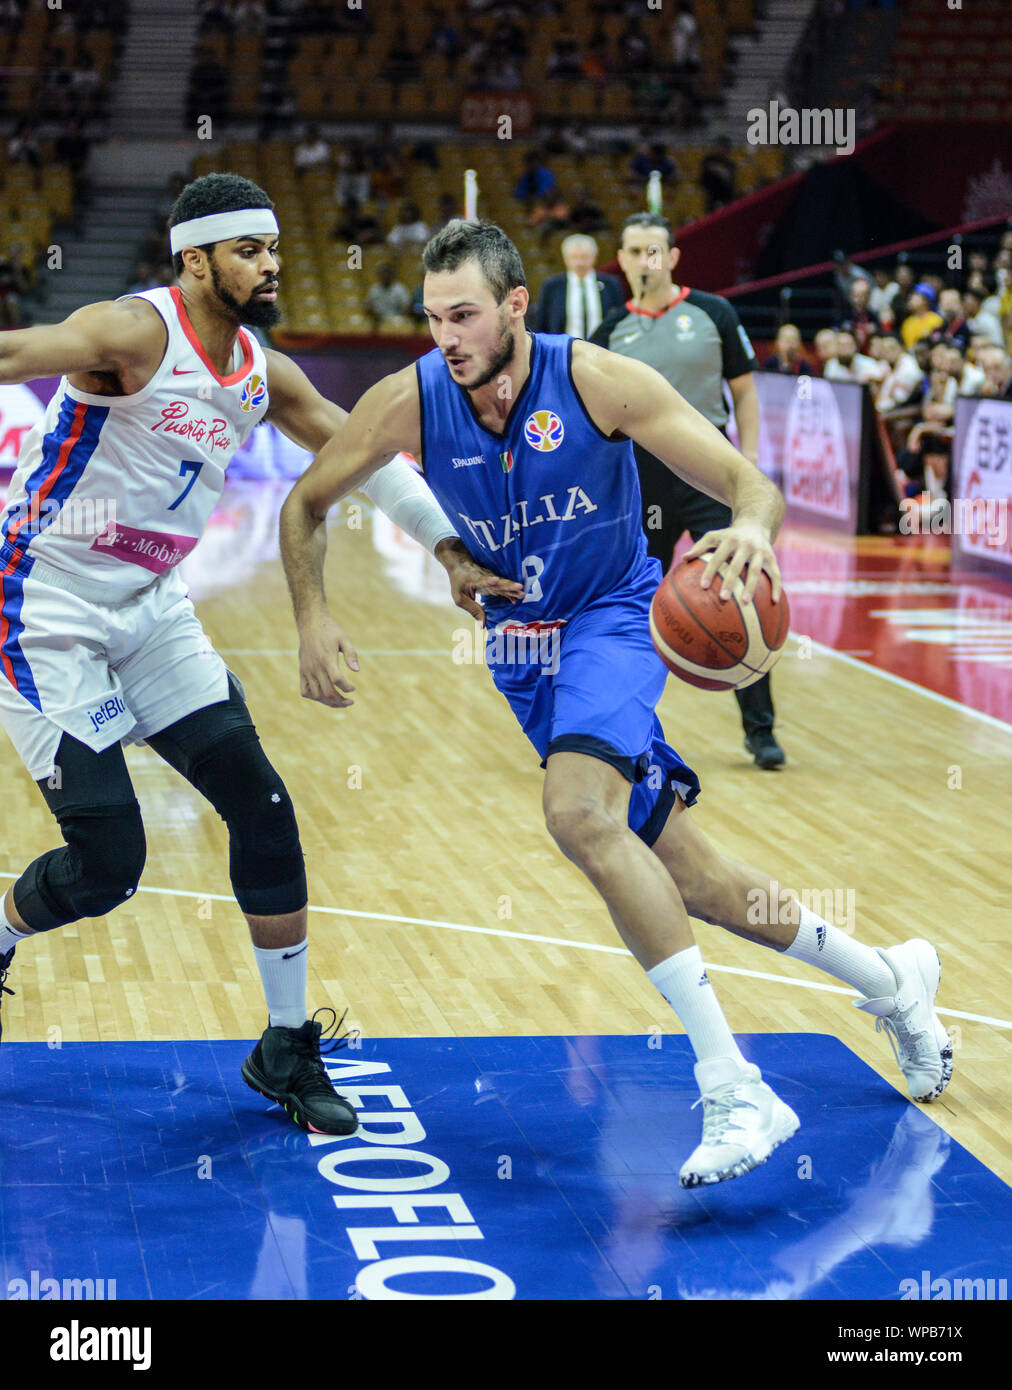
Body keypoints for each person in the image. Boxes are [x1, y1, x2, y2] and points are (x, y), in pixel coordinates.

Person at [278, 218, 952, 1188]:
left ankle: (733, 1084)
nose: (447, 336)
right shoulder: (410, 398)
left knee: (577, 815)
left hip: (615, 620)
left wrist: (754, 533)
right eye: (433, 318)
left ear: (516, 305)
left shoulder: (593, 378)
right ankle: (892, 980)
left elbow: (743, 482)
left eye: (464, 314)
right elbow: (305, 501)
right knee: (696, 879)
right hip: (522, 651)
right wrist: (327, 608)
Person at [0, 174, 500, 1138]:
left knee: (263, 806)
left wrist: (448, 550)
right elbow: (17, 348)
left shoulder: (262, 371)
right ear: (196, 259)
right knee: (109, 864)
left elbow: (362, 458)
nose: (270, 265)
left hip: (151, 609)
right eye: (248, 251)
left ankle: (284, 1044)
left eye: (273, 248)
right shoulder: (133, 332)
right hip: (44, 606)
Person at [592, 213, 785, 770]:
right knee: (631, 603)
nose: (643, 261)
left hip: (708, 469)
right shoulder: (608, 333)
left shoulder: (714, 312)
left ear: (672, 258)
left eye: (654, 251)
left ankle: (761, 731)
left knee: (741, 591)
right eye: (633, 251)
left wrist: (745, 461)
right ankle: (621, 729)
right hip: (640, 479)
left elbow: (744, 392)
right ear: (622, 260)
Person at [533, 234, 624, 338]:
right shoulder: (552, 286)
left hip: (602, 349)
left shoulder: (610, 284)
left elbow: (619, 320)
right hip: (564, 349)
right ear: (565, 258)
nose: (579, 263)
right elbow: (542, 324)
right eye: (574, 257)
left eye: (584, 257)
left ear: (595, 257)